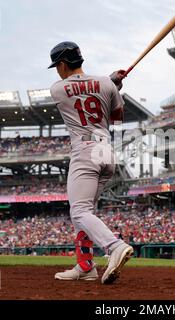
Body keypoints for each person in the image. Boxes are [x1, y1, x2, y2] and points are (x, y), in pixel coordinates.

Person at [49, 41, 133, 284]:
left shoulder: (57, 89)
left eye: (57, 66)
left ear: (63, 64)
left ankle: (114, 247)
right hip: (106, 152)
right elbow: (117, 118)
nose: (57, 70)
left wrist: (110, 83)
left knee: (79, 211)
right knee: (84, 212)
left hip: (84, 150)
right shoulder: (106, 84)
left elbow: (80, 91)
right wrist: (114, 86)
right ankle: (85, 266)